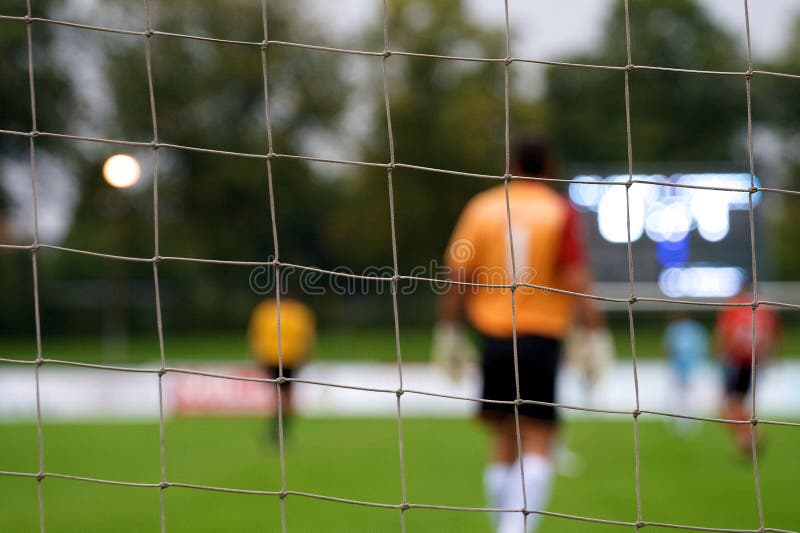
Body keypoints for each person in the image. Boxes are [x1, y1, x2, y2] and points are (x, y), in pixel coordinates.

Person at [432, 134, 607, 533]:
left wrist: (447, 330)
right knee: (540, 435)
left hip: (493, 337)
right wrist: (595, 332)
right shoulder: (557, 211)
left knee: (502, 437)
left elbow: (457, 272)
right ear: (550, 166)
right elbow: (576, 276)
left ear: (510, 163)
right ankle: (516, 529)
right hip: (541, 336)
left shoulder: (483, 207)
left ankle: (504, 526)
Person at [714, 286, 780, 457]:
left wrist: (720, 352)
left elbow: (724, 331)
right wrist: (771, 355)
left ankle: (749, 439)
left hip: (737, 361)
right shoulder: (763, 307)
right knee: (735, 404)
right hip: (754, 361)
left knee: (729, 406)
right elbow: (772, 334)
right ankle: (747, 438)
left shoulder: (734, 306)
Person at [247, 293, 316, 444]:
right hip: (283, 358)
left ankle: (278, 429)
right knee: (284, 397)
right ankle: (278, 429)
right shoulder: (297, 311)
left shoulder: (267, 310)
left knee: (281, 397)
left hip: (279, 357)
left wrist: (257, 356)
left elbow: (254, 336)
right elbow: (308, 338)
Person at [662, 312, 709, 434]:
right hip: (680, 364)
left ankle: (690, 418)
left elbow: (703, 346)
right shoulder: (675, 329)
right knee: (680, 393)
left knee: (690, 393)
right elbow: (667, 347)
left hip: (691, 365)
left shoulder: (694, 328)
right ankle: (681, 418)